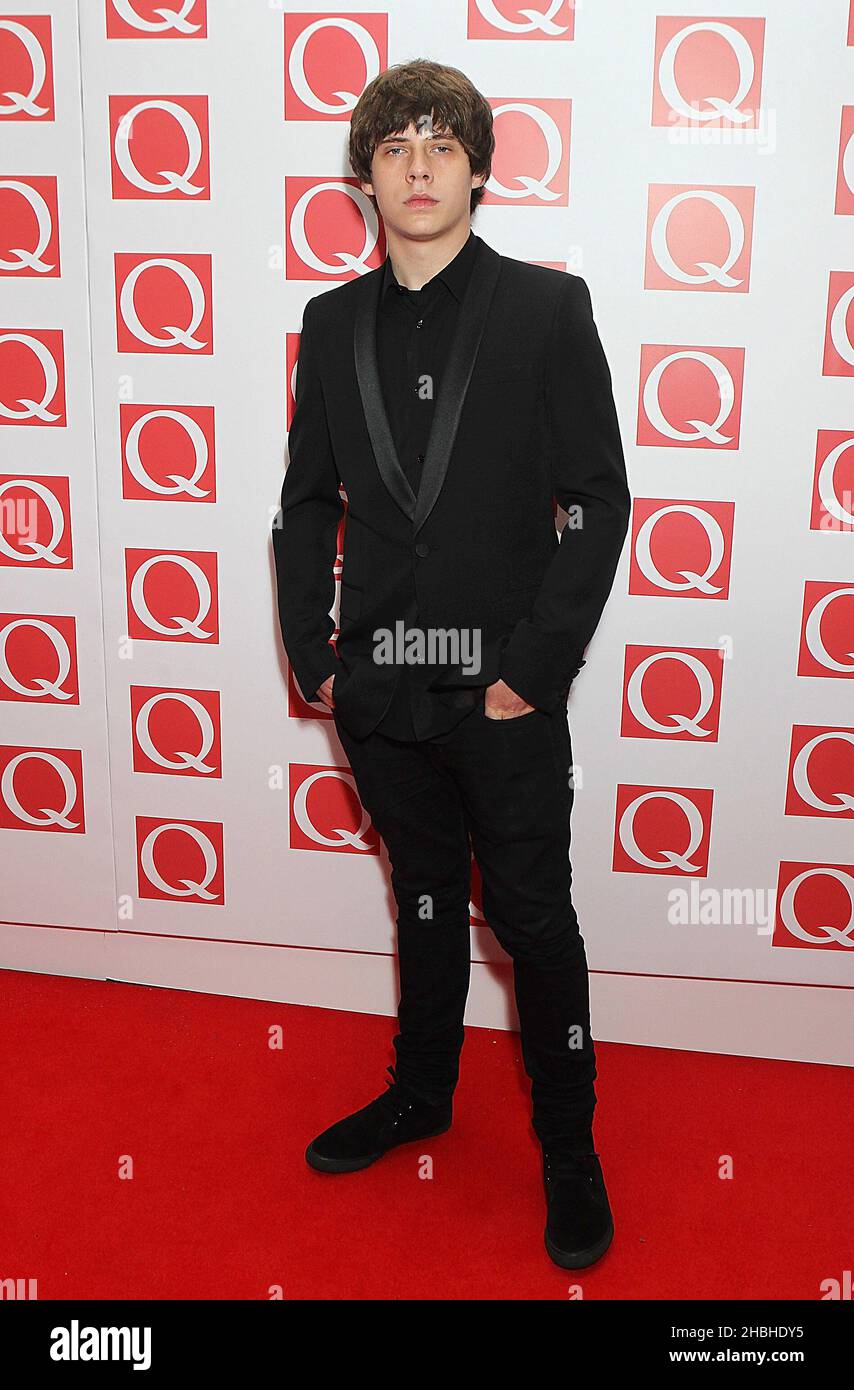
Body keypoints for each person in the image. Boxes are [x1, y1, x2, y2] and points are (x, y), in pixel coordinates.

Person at [272, 58, 631, 1269]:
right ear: (363, 176)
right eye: (393, 147)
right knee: (420, 899)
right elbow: (304, 502)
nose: (417, 166)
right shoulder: (329, 324)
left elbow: (594, 499)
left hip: (502, 687)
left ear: (477, 167)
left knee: (532, 920)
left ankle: (568, 1146)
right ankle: (419, 1091)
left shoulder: (546, 308)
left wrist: (531, 669)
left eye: (440, 144)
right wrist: (312, 656)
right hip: (374, 686)